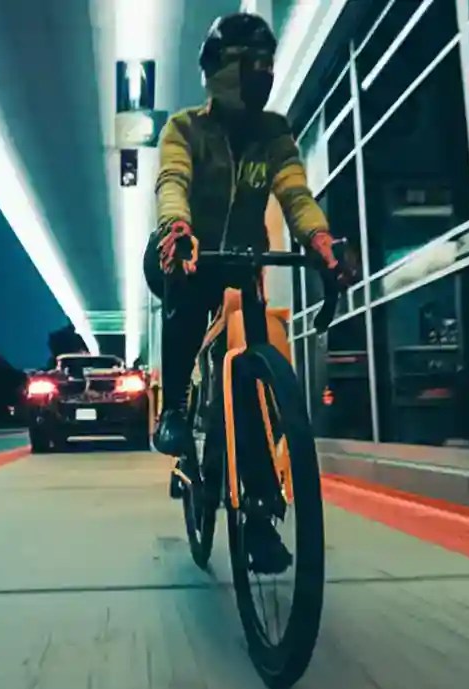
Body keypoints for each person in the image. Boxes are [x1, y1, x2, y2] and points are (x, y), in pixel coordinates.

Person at [143, 13, 356, 573]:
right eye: (247, 66)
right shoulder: (184, 128)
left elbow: (294, 191)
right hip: (184, 252)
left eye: (265, 65)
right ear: (219, 70)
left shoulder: (273, 131)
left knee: (251, 384)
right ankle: (177, 408)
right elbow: (173, 182)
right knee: (185, 295)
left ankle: (259, 517)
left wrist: (320, 238)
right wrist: (176, 229)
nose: (259, 76)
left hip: (241, 260)